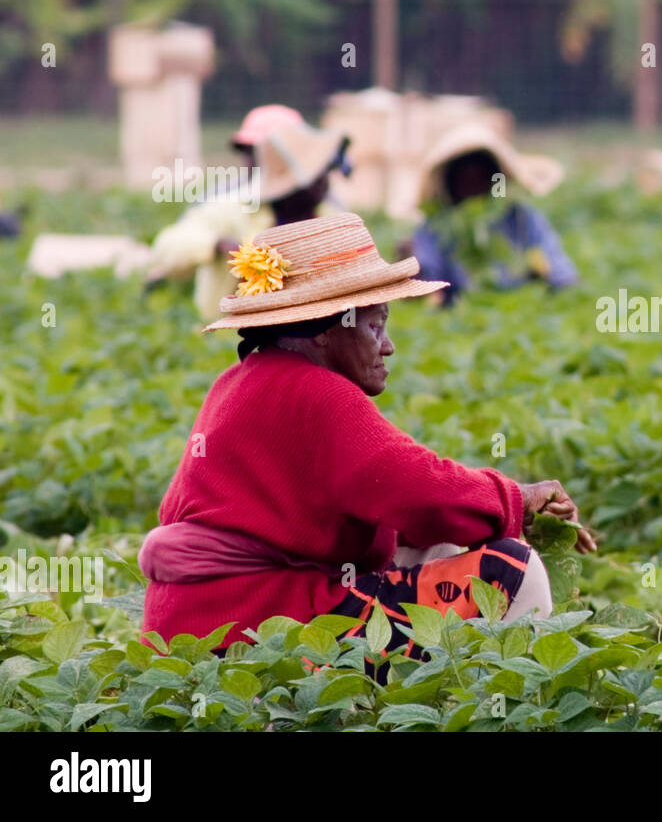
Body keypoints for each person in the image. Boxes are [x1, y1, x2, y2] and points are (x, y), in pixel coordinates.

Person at [139, 211, 596, 669]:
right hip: (258, 628)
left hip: (185, 632)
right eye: (374, 325)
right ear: (321, 331)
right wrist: (515, 499)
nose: (388, 345)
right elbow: (417, 490)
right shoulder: (319, 394)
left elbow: (393, 504)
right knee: (511, 570)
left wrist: (496, 512)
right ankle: (506, 700)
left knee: (429, 549)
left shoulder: (237, 382)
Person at [145, 112, 350, 320]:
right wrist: (216, 244)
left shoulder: (333, 217)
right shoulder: (230, 207)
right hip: (230, 333)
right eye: (250, 153)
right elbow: (167, 246)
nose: (251, 161)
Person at [404, 124, 578, 305]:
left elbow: (563, 276)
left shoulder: (522, 220)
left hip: (520, 310)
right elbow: (425, 287)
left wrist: (541, 275)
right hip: (463, 316)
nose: (473, 191)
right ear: (450, 185)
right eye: (465, 181)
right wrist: (409, 270)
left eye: (480, 179)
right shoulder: (436, 228)